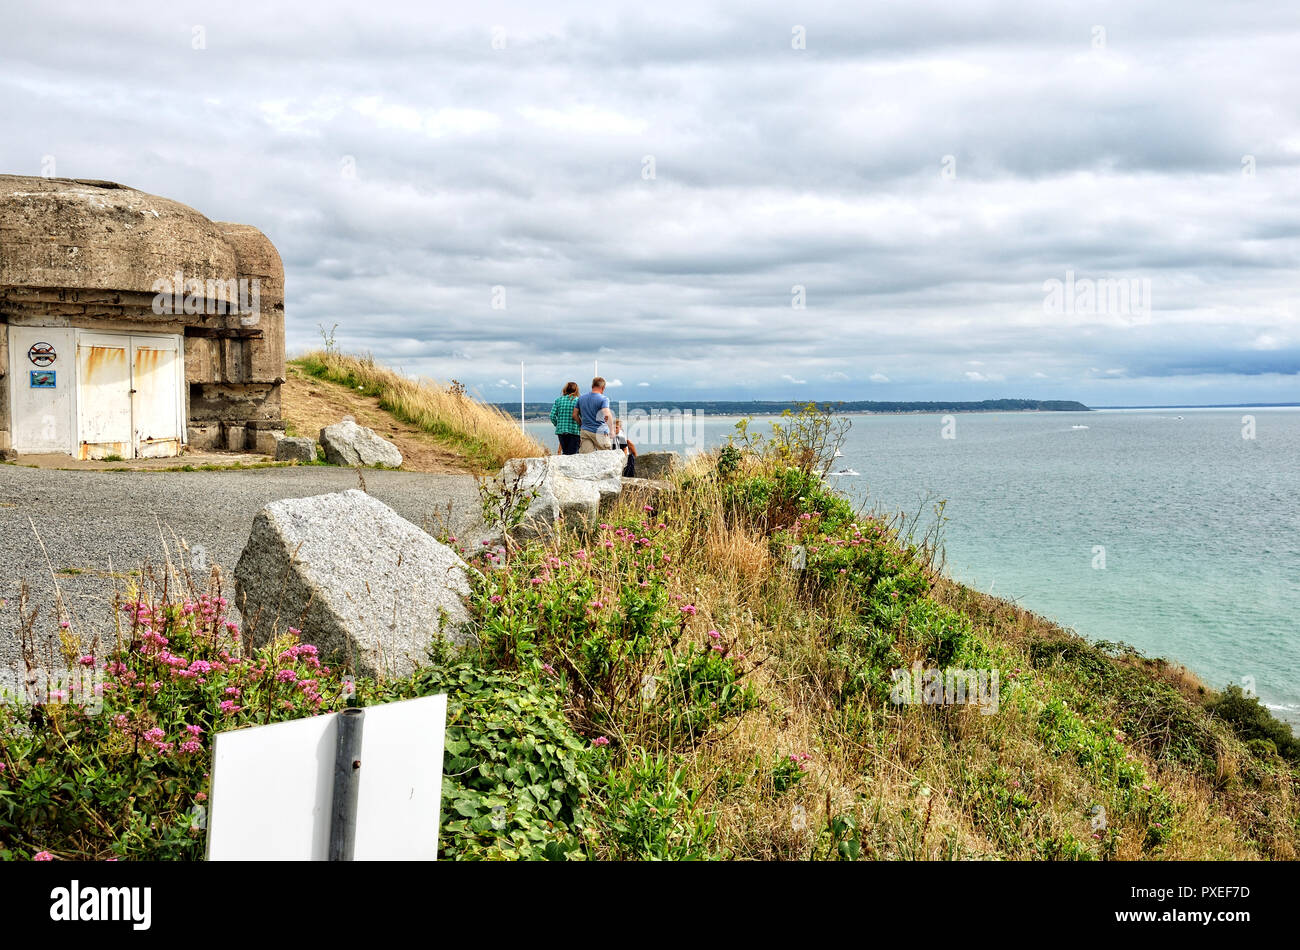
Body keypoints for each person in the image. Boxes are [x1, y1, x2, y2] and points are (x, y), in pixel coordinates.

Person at [574, 376, 614, 453]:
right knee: (606, 456)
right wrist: (611, 430)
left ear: (592, 386)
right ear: (603, 388)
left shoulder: (581, 398)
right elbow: (607, 413)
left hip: (585, 431)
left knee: (586, 457)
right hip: (600, 432)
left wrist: (581, 424)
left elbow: (575, 415)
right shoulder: (604, 399)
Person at [549, 381, 581, 455]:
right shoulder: (578, 400)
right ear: (576, 390)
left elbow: (552, 416)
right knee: (573, 455)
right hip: (574, 431)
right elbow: (582, 416)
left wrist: (558, 424)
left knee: (566, 453)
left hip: (561, 431)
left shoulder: (558, 400)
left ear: (565, 389)